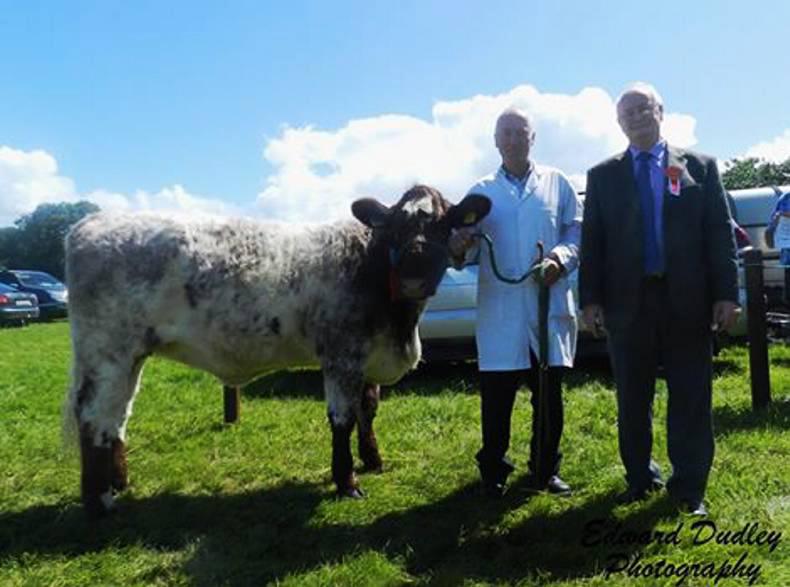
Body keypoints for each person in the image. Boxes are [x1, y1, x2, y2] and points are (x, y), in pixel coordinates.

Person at [579, 82, 739, 516]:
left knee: (691, 395)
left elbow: (719, 234)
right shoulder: (602, 176)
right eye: (626, 112)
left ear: (661, 112)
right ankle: (639, 478)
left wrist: (727, 294)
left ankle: (689, 488)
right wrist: (590, 300)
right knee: (632, 398)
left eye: (642, 108)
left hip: (687, 300)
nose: (635, 116)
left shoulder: (700, 168)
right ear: (618, 122)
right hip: (626, 304)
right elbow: (592, 242)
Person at [449, 108, 583, 497]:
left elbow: (577, 232)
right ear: (495, 140)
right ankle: (493, 470)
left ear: (532, 138)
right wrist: (460, 244)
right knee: (497, 396)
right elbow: (464, 247)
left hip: (546, 302)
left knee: (548, 395)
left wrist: (560, 259)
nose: (512, 139)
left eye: (519, 132)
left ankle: (545, 469)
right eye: (505, 133)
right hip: (502, 308)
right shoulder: (481, 191)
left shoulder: (558, 183)